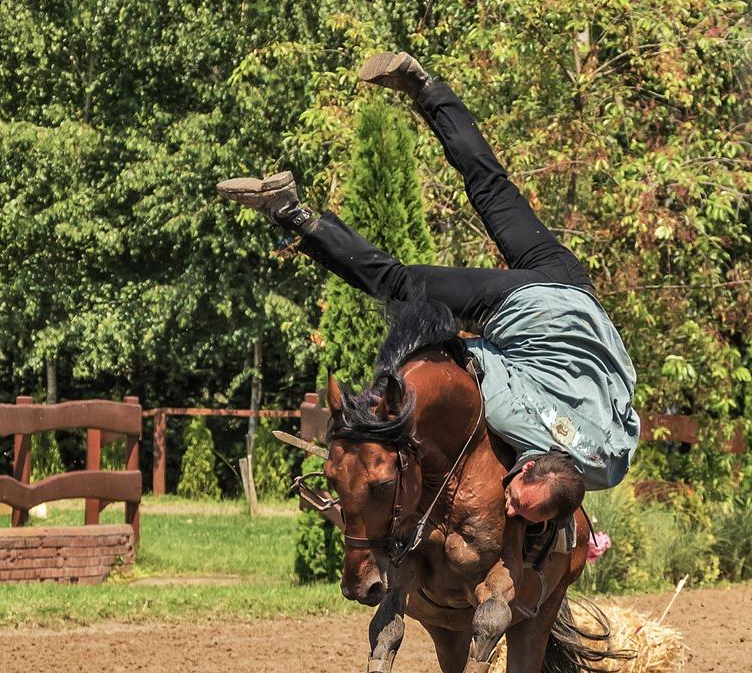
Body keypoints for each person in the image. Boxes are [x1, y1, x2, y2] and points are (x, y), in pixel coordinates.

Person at [218, 51, 639, 526]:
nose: (511, 508)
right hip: (531, 307)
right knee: (399, 285)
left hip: (575, 290)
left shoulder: (614, 459)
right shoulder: (514, 417)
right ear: (531, 465)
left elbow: (622, 389)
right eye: (520, 501)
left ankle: (424, 85)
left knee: (492, 187)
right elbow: (468, 362)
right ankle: (290, 211)